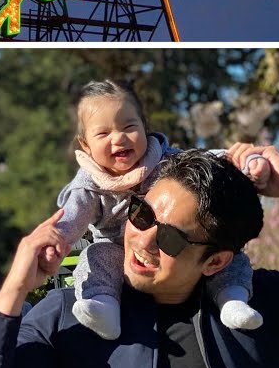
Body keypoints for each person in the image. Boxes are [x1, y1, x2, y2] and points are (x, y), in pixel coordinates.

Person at [0, 146, 279, 368]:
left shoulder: (263, 307)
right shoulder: (70, 316)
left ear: (216, 261)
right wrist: (13, 291)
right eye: (142, 215)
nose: (143, 240)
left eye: (170, 237)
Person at [53, 80, 265, 340]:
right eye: (103, 134)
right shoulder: (87, 186)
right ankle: (103, 306)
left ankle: (233, 299)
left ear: (144, 127)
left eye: (129, 127)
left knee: (229, 257)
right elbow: (70, 220)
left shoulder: (166, 160)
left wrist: (250, 162)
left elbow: (215, 160)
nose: (118, 138)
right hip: (117, 250)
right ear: (85, 145)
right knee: (95, 257)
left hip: (181, 255)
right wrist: (56, 242)